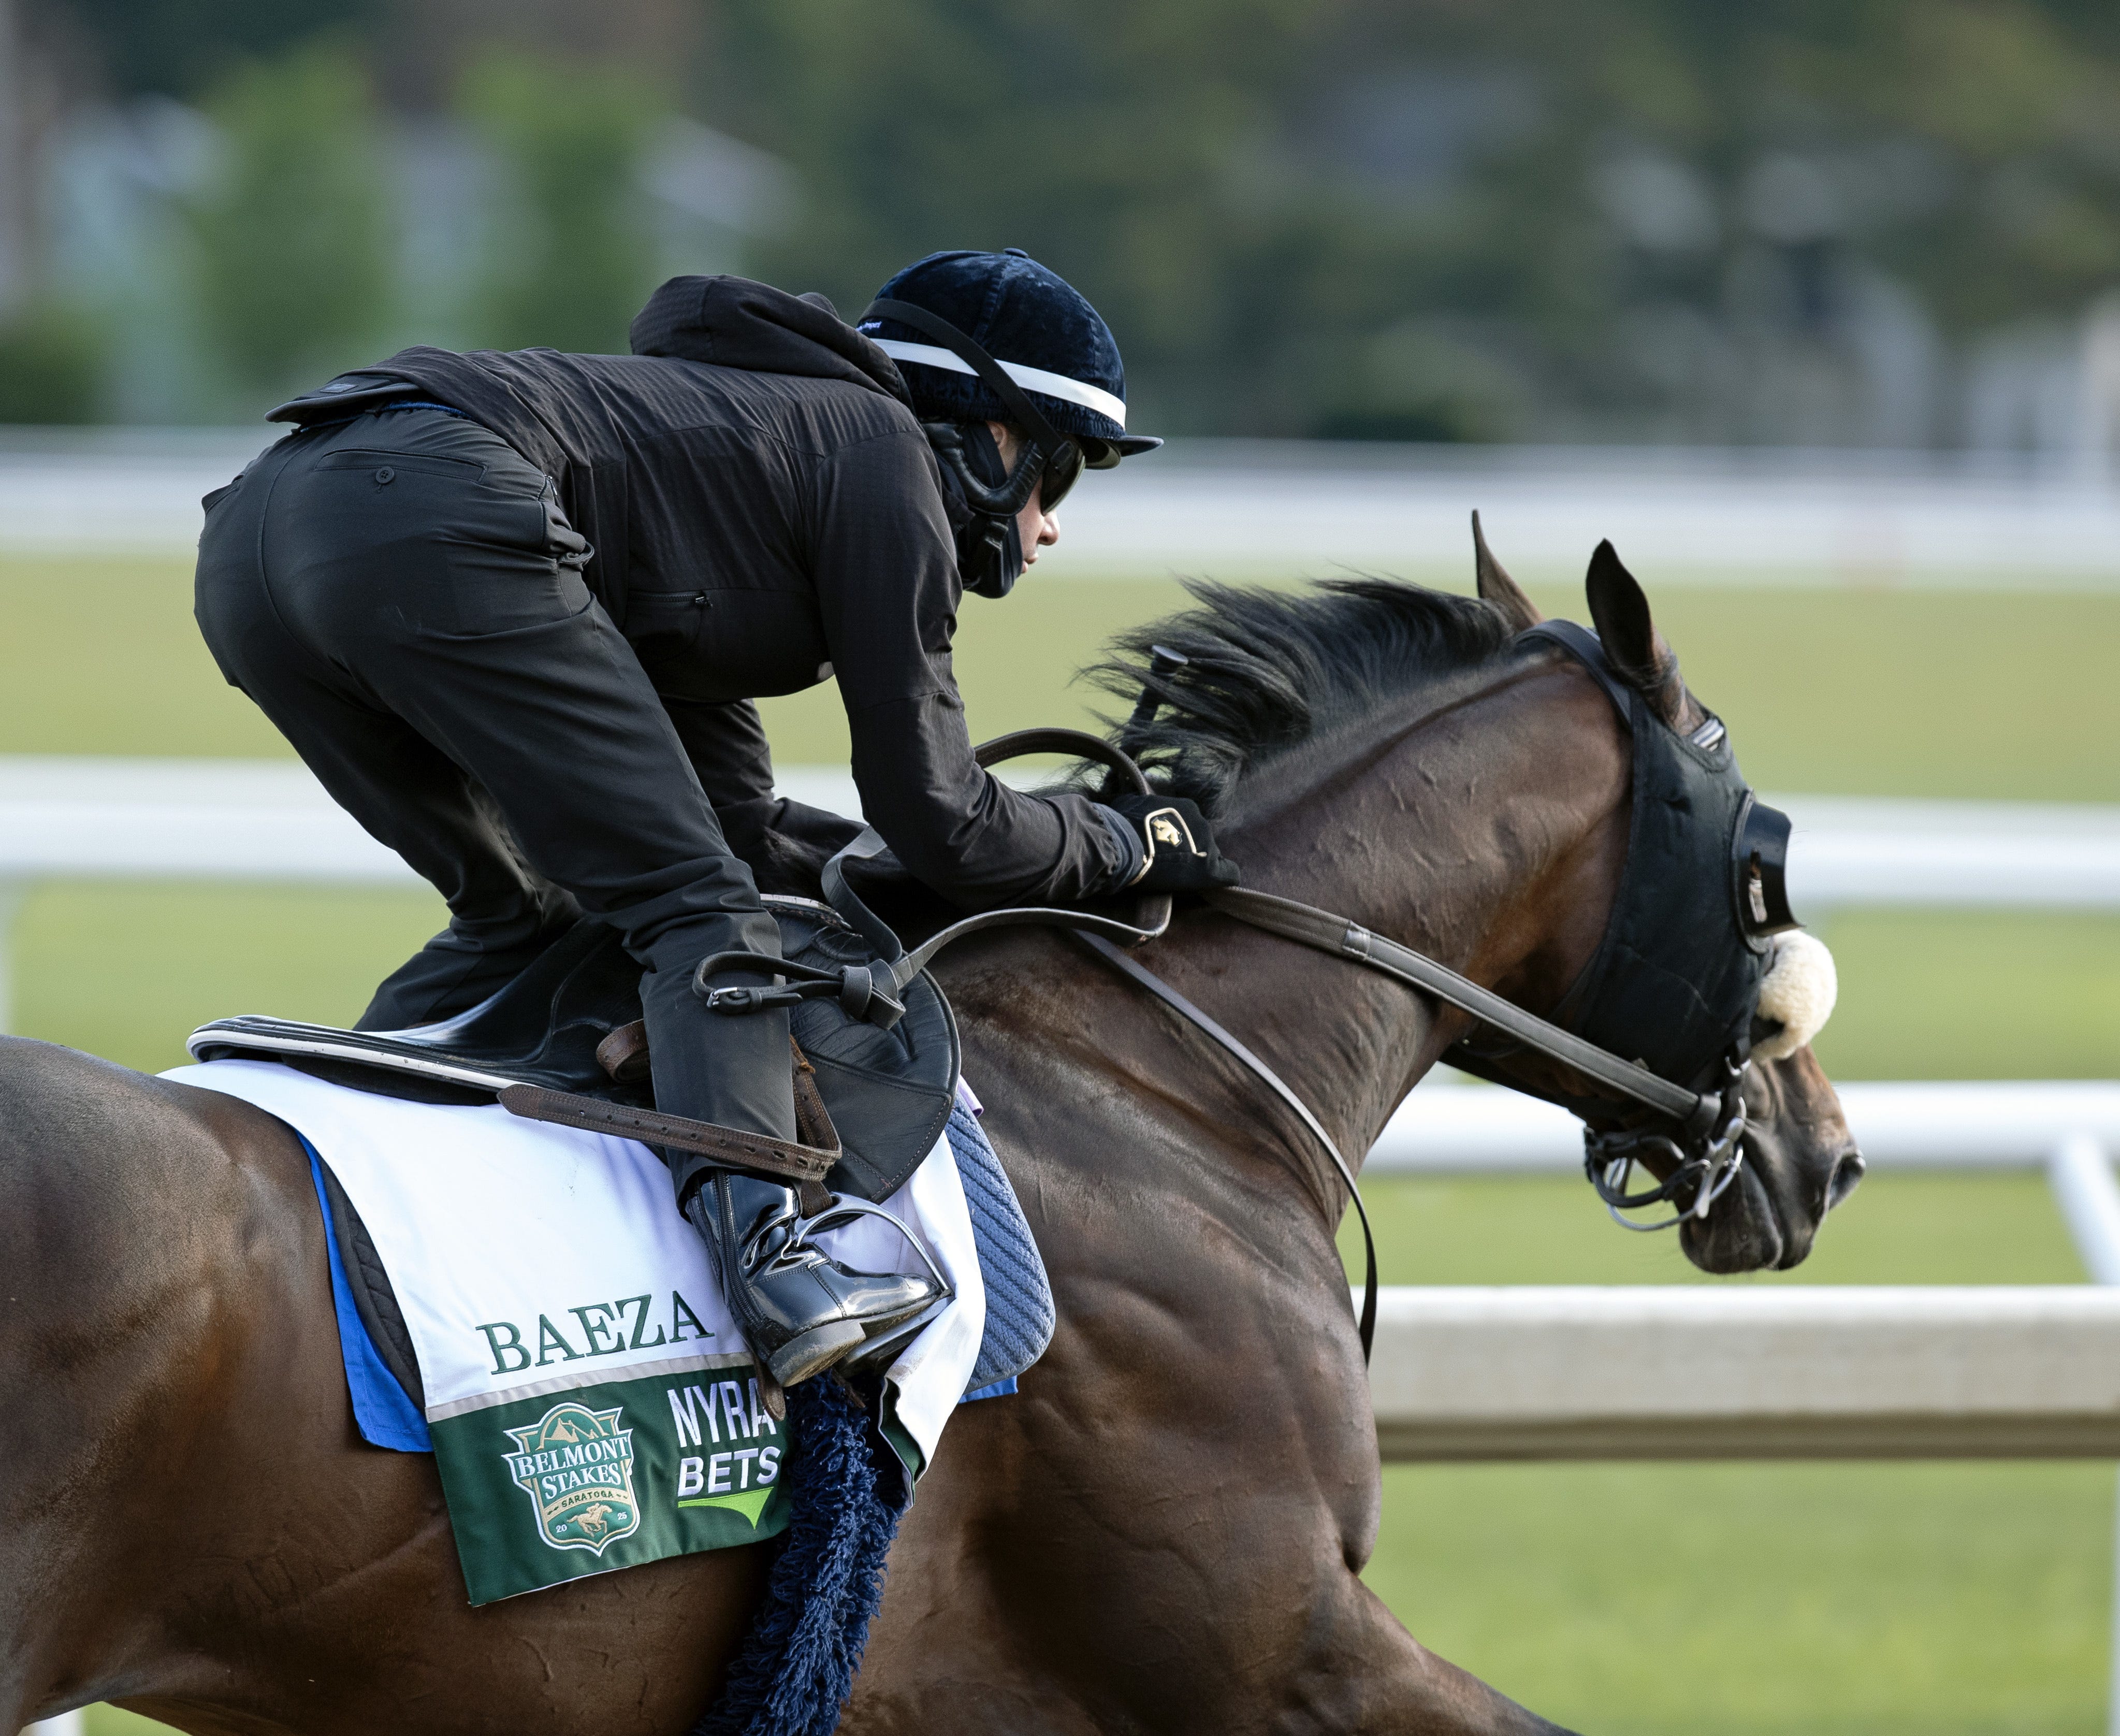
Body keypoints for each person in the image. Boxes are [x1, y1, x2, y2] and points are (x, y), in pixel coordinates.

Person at [192, 248, 1238, 1390]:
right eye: (1059, 477)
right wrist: (1129, 840)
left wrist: (929, 867)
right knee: (692, 915)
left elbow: (741, 824)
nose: (1047, 530)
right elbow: (941, 816)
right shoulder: (884, 458)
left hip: (256, 539)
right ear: (989, 434)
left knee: (522, 913)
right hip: (428, 504)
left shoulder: (753, 458)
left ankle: (320, 1168)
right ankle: (779, 1269)